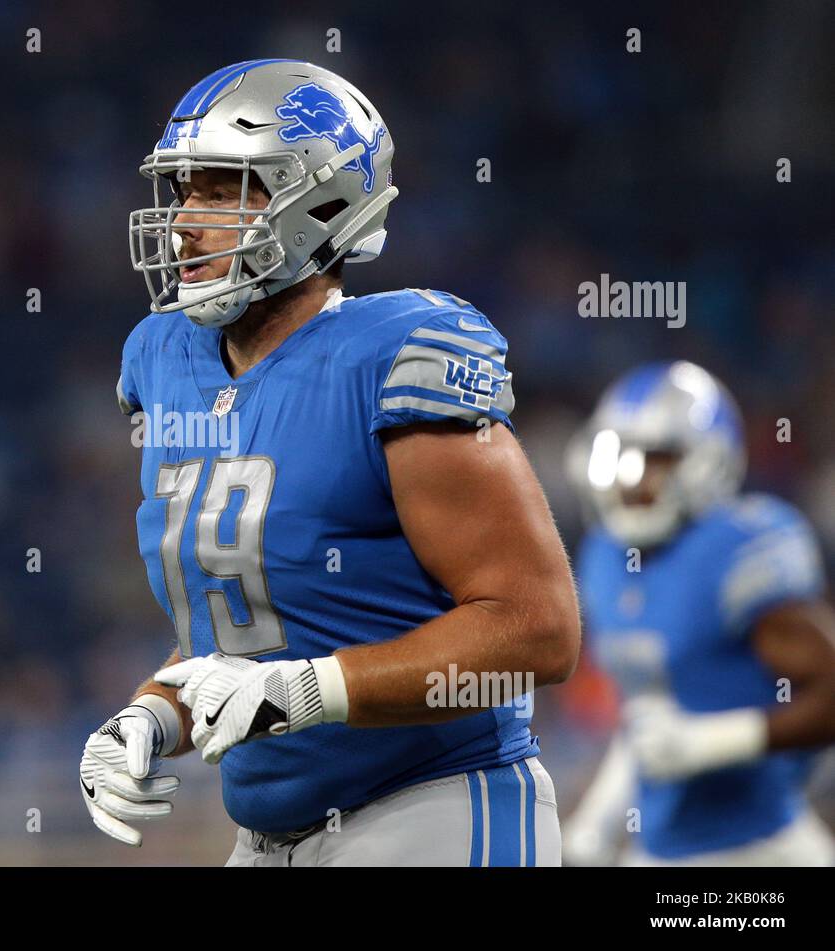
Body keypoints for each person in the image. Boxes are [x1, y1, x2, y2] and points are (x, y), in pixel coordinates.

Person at [81, 59, 580, 866]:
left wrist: (307, 693)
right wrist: (153, 713)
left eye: (221, 190)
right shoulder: (166, 360)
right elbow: (253, 626)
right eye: (182, 192)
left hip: (433, 809)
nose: (183, 222)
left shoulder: (393, 354)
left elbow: (537, 630)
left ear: (320, 202)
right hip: (268, 838)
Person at [563, 361, 835, 865]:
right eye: (619, 457)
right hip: (659, 849)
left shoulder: (735, 547)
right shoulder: (605, 555)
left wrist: (710, 743)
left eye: (655, 460)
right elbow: (646, 717)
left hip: (762, 846)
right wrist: (597, 823)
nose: (632, 480)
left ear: (707, 461)